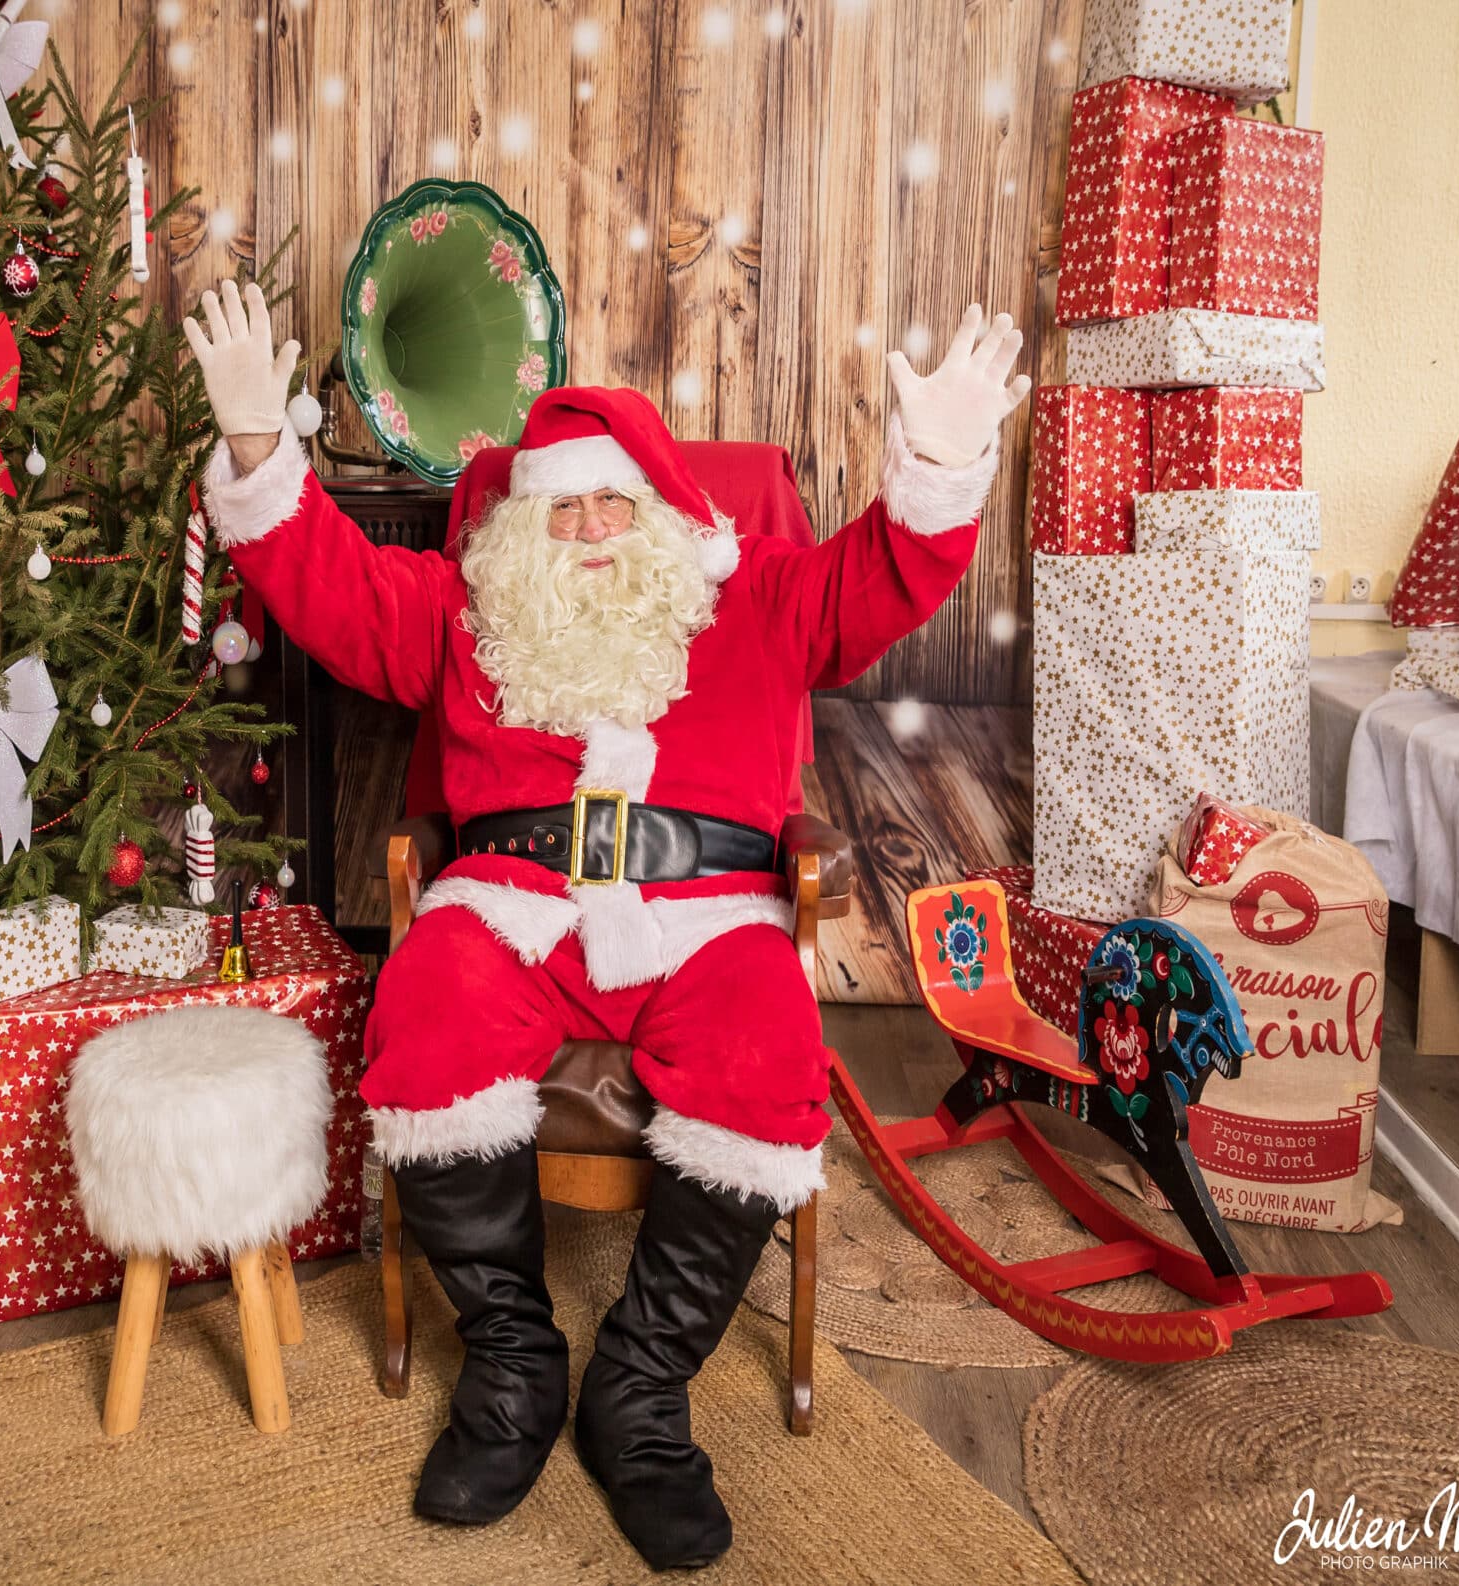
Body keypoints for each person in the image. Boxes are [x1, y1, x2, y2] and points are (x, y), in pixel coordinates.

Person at [185, 280, 1030, 1571]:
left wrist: (950, 459)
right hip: (512, 910)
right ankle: (516, 1367)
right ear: (521, 526)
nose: (586, 527)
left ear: (661, 520)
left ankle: (639, 1387)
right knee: (425, 1003)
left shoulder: (752, 601)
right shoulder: (471, 619)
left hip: (706, 919)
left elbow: (883, 579)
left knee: (765, 1038)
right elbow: (333, 587)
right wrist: (257, 445)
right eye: (561, 503)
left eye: (609, 502)